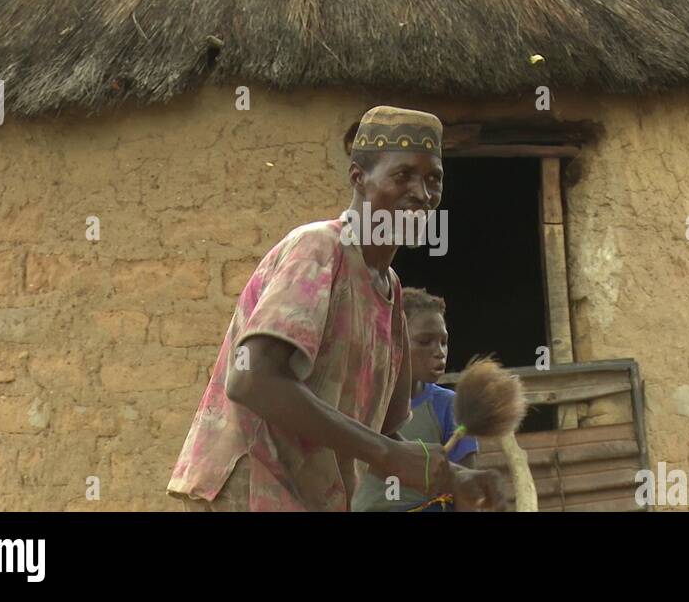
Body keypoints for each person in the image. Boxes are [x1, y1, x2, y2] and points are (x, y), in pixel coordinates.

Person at [166, 105, 505, 511]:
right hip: (250, 486)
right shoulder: (320, 249)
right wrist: (385, 454)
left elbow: (379, 431)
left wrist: (454, 476)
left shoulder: (391, 291)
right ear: (358, 177)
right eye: (403, 176)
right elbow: (252, 378)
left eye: (434, 179)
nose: (422, 193)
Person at [352, 287, 478, 512]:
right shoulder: (359, 403)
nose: (439, 351)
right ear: (395, 340)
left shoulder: (451, 407)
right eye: (425, 341)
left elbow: (465, 496)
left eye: (443, 342)